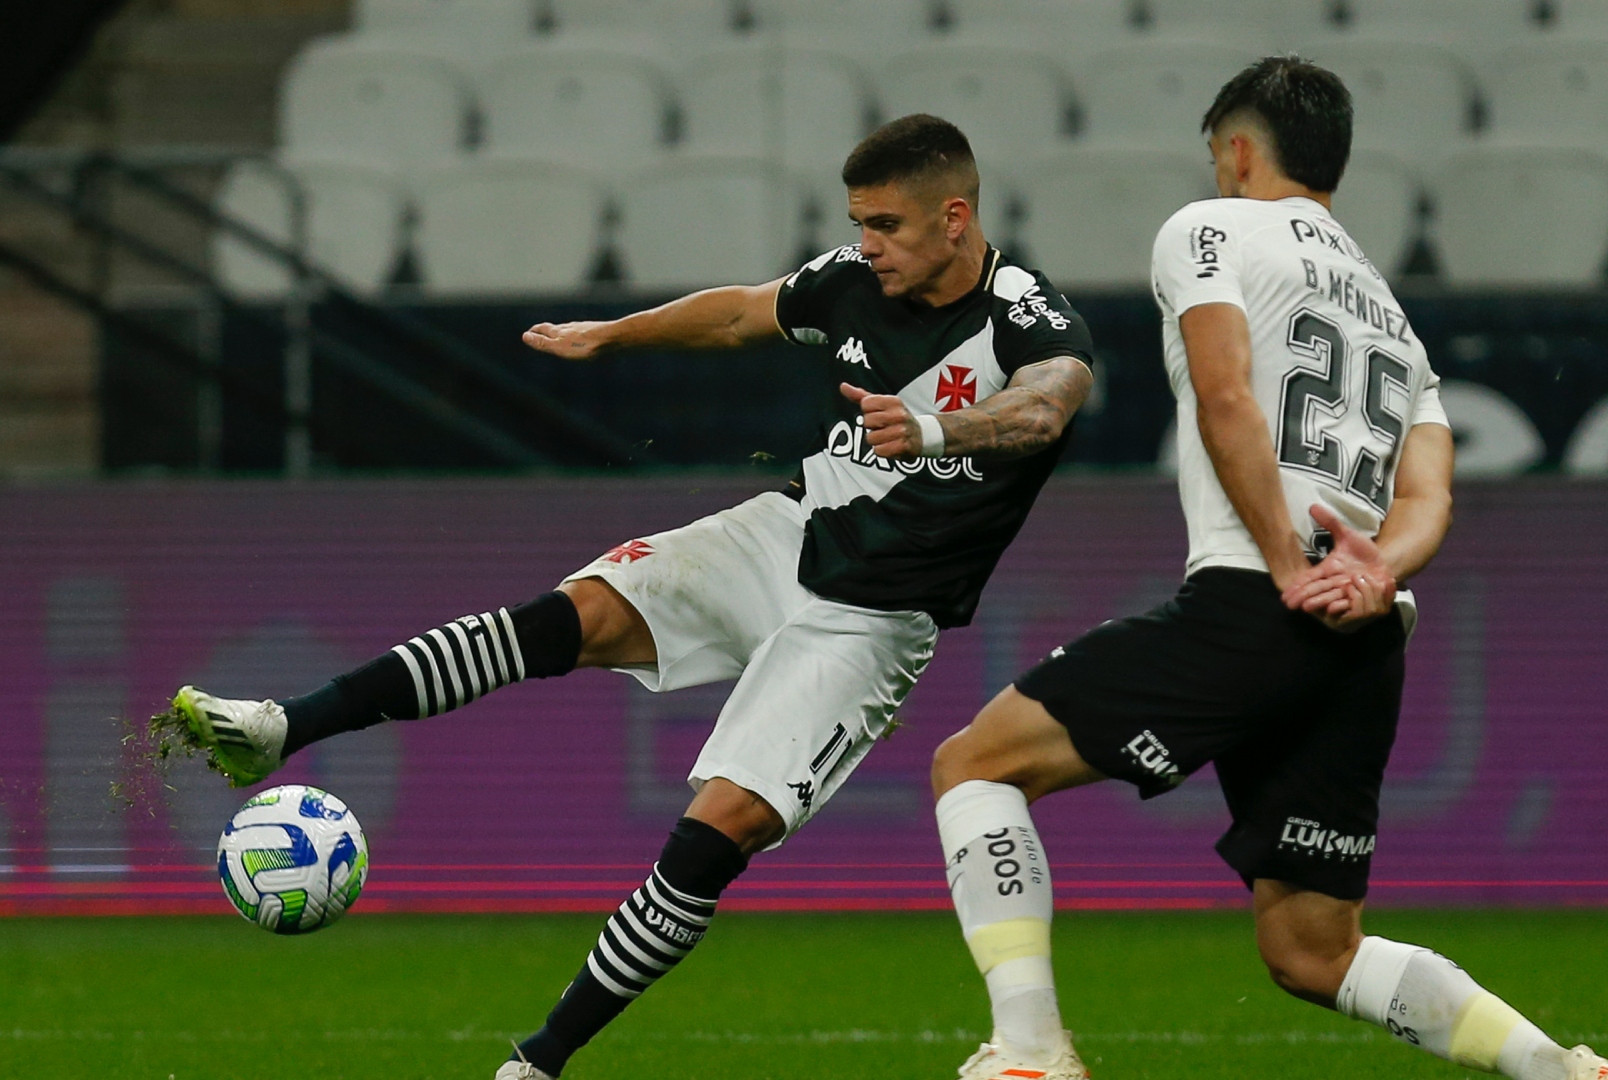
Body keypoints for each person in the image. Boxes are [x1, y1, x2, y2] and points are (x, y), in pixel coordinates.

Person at [151, 114, 1097, 1080]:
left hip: (876, 616)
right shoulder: (853, 278)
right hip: (790, 531)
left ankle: (538, 1062)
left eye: (886, 225)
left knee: (718, 830)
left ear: (953, 217)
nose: (868, 244)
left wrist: (936, 431)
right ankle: (283, 727)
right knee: (575, 614)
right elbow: (739, 313)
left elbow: (1048, 402)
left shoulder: (1026, 316)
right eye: (859, 223)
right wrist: (612, 334)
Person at [924, 57, 1608, 1080]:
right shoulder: (1391, 318)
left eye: (1218, 155)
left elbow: (1226, 396)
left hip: (1258, 604)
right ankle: (1557, 1069)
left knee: (975, 765)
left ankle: (1031, 1051)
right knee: (1314, 951)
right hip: (1363, 640)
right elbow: (1430, 497)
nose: (1216, 172)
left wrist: (1284, 562)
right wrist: (1375, 571)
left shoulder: (1208, 231)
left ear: (1241, 150)